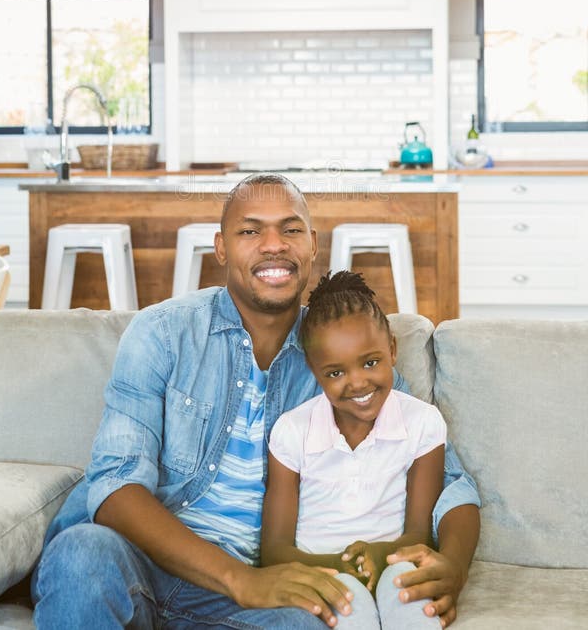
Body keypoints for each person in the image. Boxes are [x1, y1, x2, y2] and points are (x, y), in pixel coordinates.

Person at [32, 173, 480, 629]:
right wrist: (238, 578)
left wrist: (455, 568)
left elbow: (453, 482)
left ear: (312, 246)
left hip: (259, 599)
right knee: (80, 553)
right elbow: (116, 486)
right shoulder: (163, 334)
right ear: (221, 247)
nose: (273, 245)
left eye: (291, 230)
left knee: (317, 621)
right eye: (250, 231)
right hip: (143, 564)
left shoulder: (342, 358)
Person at [262, 270, 446, 629]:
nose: (357, 382)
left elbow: (420, 534)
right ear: (313, 371)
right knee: (347, 608)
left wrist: (380, 555)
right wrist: (341, 566)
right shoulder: (292, 431)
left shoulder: (424, 422)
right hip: (323, 570)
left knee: (411, 602)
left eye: (370, 362)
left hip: (394, 563)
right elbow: (274, 551)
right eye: (335, 373)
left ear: (392, 349)